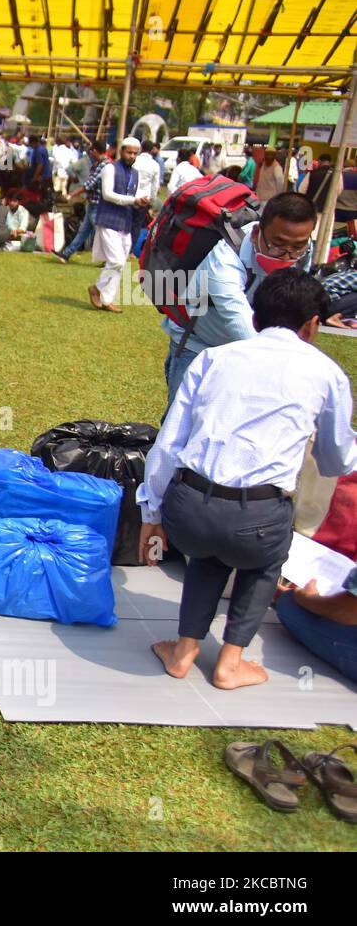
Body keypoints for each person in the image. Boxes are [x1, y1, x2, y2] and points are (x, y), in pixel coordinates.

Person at [138, 269, 357, 690]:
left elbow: (168, 443)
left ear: (255, 318)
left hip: (189, 513)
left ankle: (183, 650)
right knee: (265, 559)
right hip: (257, 520)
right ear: (313, 325)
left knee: (209, 554)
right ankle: (230, 662)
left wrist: (152, 509)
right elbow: (335, 463)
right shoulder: (328, 374)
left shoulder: (212, 358)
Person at [161, 192, 316, 406]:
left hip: (246, 351)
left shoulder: (304, 254)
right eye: (278, 245)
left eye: (297, 247)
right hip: (198, 344)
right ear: (255, 234)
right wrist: (282, 365)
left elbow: (294, 304)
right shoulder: (225, 257)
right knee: (181, 421)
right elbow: (237, 317)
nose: (287, 256)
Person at [87, 137, 148, 313]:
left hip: (126, 222)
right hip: (108, 220)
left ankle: (106, 300)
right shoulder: (109, 168)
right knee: (116, 260)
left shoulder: (135, 173)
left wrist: (140, 201)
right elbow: (107, 195)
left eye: (135, 153)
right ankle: (97, 289)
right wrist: (133, 200)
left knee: (120, 264)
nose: (132, 156)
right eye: (129, 152)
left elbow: (131, 195)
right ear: (121, 151)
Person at [55, 139, 108, 264]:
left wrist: (71, 195)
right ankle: (66, 254)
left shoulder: (103, 166)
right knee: (83, 231)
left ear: (95, 150)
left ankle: (109, 259)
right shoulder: (100, 164)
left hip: (97, 204)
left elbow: (89, 185)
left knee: (101, 234)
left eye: (91, 150)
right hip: (92, 203)